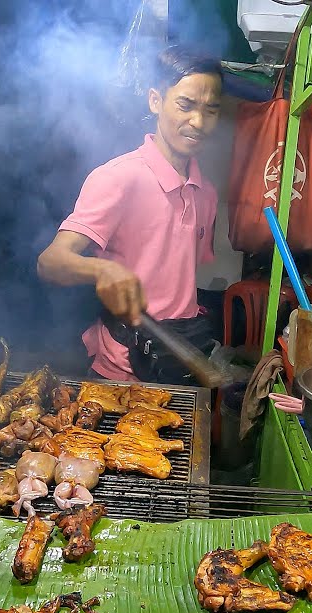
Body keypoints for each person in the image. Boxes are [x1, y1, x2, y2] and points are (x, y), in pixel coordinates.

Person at [37, 47, 222, 382]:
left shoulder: (206, 192)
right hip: (120, 373)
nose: (198, 121)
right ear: (155, 100)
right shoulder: (119, 177)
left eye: (211, 111)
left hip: (180, 364)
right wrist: (102, 268)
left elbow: (179, 288)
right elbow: (50, 262)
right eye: (185, 105)